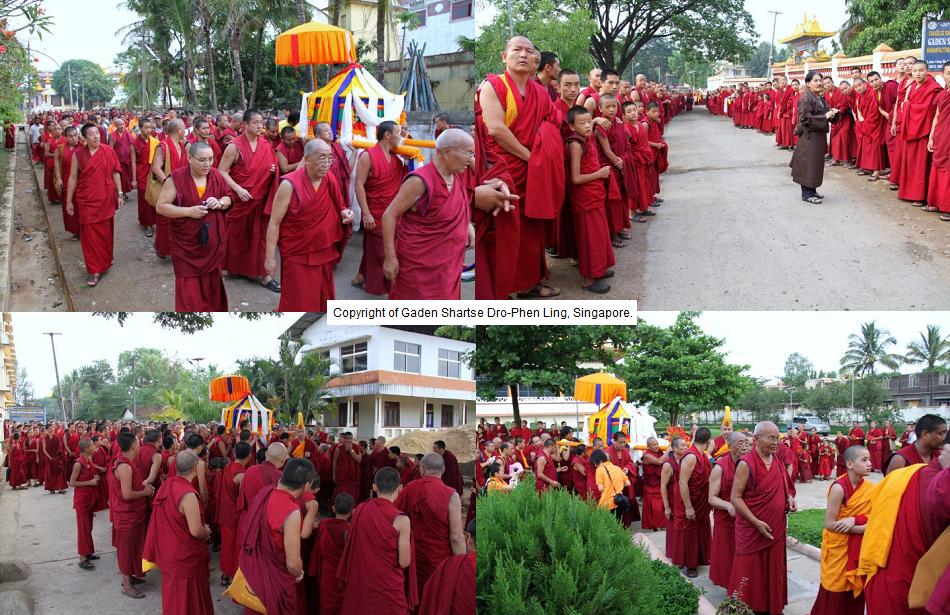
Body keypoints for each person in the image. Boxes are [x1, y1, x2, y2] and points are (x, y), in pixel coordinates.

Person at [474, 36, 564, 299]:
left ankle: (529, 283)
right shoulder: (492, 86)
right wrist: (531, 157)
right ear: (505, 56)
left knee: (530, 230)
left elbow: (552, 120)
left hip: (531, 172)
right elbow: (496, 129)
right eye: (517, 50)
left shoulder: (539, 92)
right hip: (502, 168)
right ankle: (501, 290)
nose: (523, 54)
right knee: (504, 231)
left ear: (536, 60)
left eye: (528, 51)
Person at [859, 434, 950, 615]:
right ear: (925, 434)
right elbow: (887, 504)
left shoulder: (931, 474)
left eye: (943, 433)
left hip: (918, 568)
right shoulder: (902, 461)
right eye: (939, 433)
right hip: (899, 564)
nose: (941, 437)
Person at [382, 128, 474, 300]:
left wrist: (467, 223)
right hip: (418, 267)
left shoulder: (457, 176)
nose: (470, 159)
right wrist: (390, 257)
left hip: (449, 265)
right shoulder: (419, 180)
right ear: (446, 152)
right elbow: (389, 215)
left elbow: (459, 204)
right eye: (468, 153)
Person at [265, 138, 352, 311]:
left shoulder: (329, 178)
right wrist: (270, 258)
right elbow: (274, 222)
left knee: (322, 296)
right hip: (298, 253)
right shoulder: (289, 185)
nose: (327, 163)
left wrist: (346, 213)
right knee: (299, 300)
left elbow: (341, 207)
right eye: (322, 158)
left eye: (330, 158)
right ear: (307, 159)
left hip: (323, 250)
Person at [154, 140, 232, 310]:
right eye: (202, 160)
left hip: (211, 249)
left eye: (210, 159)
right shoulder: (176, 178)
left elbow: (228, 198)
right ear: (190, 158)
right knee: (189, 295)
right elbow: (161, 207)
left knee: (211, 291)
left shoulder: (216, 175)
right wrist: (189, 211)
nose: (207, 164)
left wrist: (219, 202)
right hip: (186, 248)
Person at [730, 421, 797, 615]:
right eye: (771, 438)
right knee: (751, 570)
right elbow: (735, 497)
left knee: (774, 568)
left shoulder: (777, 460)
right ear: (757, 439)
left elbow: (785, 487)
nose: (776, 442)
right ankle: (750, 607)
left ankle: (772, 606)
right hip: (752, 528)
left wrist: (789, 498)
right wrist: (756, 522)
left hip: (775, 526)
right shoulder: (746, 463)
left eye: (778, 438)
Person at [239, 457, 314, 615]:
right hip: (274, 580)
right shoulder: (291, 511)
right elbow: (292, 564)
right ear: (307, 485)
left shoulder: (264, 493)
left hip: (254, 572)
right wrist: (299, 573)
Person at [141, 450, 213, 614]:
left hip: (170, 552)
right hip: (185, 557)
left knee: (174, 596)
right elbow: (196, 531)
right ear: (196, 468)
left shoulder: (167, 485)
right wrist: (206, 531)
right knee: (190, 599)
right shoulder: (187, 495)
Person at [339, 467, 418, 614]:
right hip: (388, 585)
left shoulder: (360, 510)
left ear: (374, 487)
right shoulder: (401, 520)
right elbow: (404, 561)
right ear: (400, 488)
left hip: (362, 580)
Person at [218, 109, 281, 293]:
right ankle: (236, 267)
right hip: (241, 199)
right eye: (255, 122)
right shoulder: (234, 146)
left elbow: (272, 167)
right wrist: (238, 189)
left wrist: (272, 170)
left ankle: (266, 276)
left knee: (261, 237)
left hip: (261, 199)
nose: (260, 126)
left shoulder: (266, 145)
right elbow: (221, 171)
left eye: (261, 122)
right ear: (245, 124)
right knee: (237, 235)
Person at [809, 445, 873, 615]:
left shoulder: (869, 488)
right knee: (834, 591)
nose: (869, 464)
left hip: (858, 548)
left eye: (869, 459)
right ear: (850, 464)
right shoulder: (839, 488)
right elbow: (829, 524)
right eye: (864, 460)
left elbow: (876, 515)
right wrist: (861, 529)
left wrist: (854, 520)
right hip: (839, 549)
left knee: (855, 592)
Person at [394, 453, 466, 594]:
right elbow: (456, 537)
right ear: (443, 469)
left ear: (422, 469)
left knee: (414, 593)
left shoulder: (410, 488)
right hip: (439, 558)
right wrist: (461, 566)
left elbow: (395, 516)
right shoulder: (452, 495)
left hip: (414, 556)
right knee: (436, 595)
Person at [351, 120, 406, 295]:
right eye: (398, 133)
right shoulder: (368, 156)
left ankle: (360, 276)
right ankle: (375, 285)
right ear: (387, 135)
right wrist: (366, 214)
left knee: (373, 248)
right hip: (375, 212)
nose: (401, 137)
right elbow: (359, 185)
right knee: (381, 252)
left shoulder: (396, 159)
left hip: (392, 212)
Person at [66, 123, 123, 287]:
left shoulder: (108, 151)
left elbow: (115, 172)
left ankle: (105, 260)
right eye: (91, 134)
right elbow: (73, 178)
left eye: (97, 133)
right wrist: (69, 200)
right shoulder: (78, 154)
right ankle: (93, 270)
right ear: (84, 138)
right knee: (89, 237)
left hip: (106, 199)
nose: (96, 136)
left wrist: (119, 193)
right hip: (87, 201)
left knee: (106, 233)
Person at [110, 432, 155, 599]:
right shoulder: (124, 467)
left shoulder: (127, 463)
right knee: (126, 550)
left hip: (134, 513)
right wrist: (145, 492)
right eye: (139, 443)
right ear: (134, 446)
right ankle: (126, 585)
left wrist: (143, 487)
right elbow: (127, 494)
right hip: (127, 515)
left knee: (134, 547)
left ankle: (130, 576)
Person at [897, 60, 943, 208]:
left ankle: (921, 195)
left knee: (921, 165)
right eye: (915, 70)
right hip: (911, 130)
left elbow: (928, 110)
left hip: (923, 131)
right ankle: (908, 192)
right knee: (910, 163)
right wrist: (906, 105)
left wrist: (907, 106)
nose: (917, 73)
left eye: (921, 70)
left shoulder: (933, 88)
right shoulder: (911, 87)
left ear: (927, 71)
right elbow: (903, 105)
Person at [708, 432, 750, 588]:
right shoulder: (720, 467)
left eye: (746, 442)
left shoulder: (750, 463)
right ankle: (730, 586)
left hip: (746, 518)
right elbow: (712, 498)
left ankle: (744, 584)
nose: (745, 446)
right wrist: (729, 506)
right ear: (730, 447)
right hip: (727, 519)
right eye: (740, 443)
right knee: (727, 554)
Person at [670, 427, 712, 577]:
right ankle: (690, 565)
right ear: (708, 442)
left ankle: (698, 559)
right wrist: (688, 507)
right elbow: (683, 482)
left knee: (699, 531)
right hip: (688, 502)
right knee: (688, 533)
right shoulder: (691, 457)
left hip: (700, 502)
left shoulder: (704, 456)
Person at [791, 71, 838, 204]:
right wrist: (824, 117)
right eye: (816, 80)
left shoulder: (819, 98)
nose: (819, 83)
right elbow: (804, 119)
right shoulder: (806, 98)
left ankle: (812, 190)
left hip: (818, 137)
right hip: (809, 138)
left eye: (820, 80)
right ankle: (806, 194)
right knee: (808, 164)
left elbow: (827, 114)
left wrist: (834, 113)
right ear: (808, 83)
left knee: (815, 164)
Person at [308, 492, 354, 615]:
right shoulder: (350, 531)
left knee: (326, 603)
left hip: (327, 572)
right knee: (342, 604)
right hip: (343, 575)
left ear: (333, 508)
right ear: (352, 511)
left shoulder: (324, 524)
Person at [216, 440, 250, 586]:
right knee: (235, 547)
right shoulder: (242, 475)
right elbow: (245, 499)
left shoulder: (228, 466)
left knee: (226, 546)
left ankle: (225, 575)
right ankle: (234, 577)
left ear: (234, 453)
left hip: (225, 511)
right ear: (249, 456)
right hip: (236, 515)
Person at [68, 439, 101, 570]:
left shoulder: (88, 460)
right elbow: (72, 482)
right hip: (82, 500)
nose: (94, 447)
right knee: (83, 529)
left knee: (88, 528)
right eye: (92, 445)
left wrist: (95, 479)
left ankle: (88, 552)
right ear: (86, 449)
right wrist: (90, 482)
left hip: (89, 498)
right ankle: (82, 558)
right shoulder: (78, 463)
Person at [852, 77, 887, 181]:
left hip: (874, 125)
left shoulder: (872, 94)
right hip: (865, 124)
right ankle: (867, 168)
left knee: (875, 147)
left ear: (865, 84)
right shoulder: (859, 98)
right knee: (865, 146)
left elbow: (875, 111)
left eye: (860, 85)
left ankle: (876, 171)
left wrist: (864, 123)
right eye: (856, 87)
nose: (858, 88)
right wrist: (861, 122)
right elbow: (858, 111)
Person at [928, 61, 950, 221]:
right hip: (941, 135)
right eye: (948, 73)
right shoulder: (942, 95)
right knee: (938, 167)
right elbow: (937, 116)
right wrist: (931, 137)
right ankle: (936, 202)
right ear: (943, 75)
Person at [54, 126, 82, 238]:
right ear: (65, 137)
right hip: (66, 181)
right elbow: (56, 163)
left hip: (81, 182)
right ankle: (75, 231)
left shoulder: (83, 147)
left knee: (81, 207)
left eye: (75, 135)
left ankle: (83, 230)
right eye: (70, 136)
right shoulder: (60, 148)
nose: (74, 138)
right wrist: (58, 178)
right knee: (69, 206)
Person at [314, 122, 351, 203]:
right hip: (323, 190)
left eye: (330, 129)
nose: (330, 132)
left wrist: (354, 152)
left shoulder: (337, 147)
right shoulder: (314, 150)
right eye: (326, 130)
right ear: (317, 135)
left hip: (339, 188)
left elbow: (346, 170)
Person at [640, 437, 666, 530]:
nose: (656, 446)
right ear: (648, 447)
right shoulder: (647, 455)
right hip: (650, 485)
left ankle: (662, 524)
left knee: (661, 506)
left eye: (657, 444)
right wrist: (668, 450)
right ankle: (654, 525)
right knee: (653, 507)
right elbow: (659, 462)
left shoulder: (660, 453)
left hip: (660, 483)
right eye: (653, 445)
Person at [110, 118, 136, 200]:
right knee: (118, 178)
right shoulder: (113, 135)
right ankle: (118, 193)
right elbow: (110, 149)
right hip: (117, 161)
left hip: (127, 160)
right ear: (116, 126)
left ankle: (123, 193)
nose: (122, 126)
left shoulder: (128, 134)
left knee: (125, 179)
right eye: (119, 125)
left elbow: (133, 144)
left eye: (123, 124)